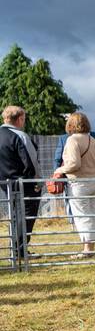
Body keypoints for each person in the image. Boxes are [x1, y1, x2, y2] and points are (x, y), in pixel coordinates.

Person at [52, 111, 95, 258]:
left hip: (80, 182)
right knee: (91, 214)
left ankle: (87, 249)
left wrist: (59, 169)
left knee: (82, 215)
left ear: (71, 124)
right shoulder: (92, 139)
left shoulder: (72, 140)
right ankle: (90, 247)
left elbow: (74, 163)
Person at [0, 105, 41, 262]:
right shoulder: (20, 136)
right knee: (26, 216)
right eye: (23, 119)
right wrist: (37, 182)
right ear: (19, 119)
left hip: (5, 182)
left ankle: (14, 249)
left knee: (14, 215)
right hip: (23, 183)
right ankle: (20, 250)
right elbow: (31, 162)